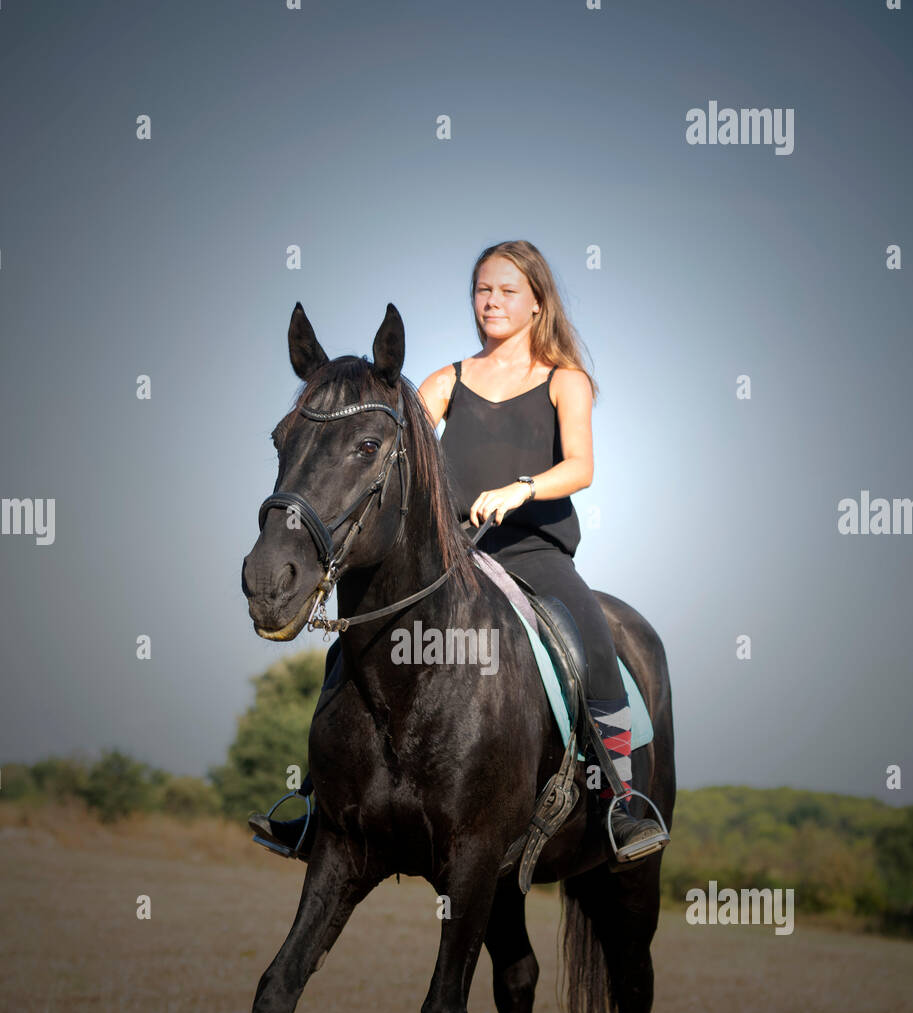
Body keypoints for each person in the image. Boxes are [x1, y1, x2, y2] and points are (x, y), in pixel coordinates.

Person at [251, 240, 669, 867]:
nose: (492, 301)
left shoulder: (565, 381)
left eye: (507, 291)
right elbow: (400, 448)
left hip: (535, 550)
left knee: (594, 644)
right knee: (351, 648)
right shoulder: (446, 380)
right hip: (459, 551)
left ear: (536, 303)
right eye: (482, 290)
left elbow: (580, 467)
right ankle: (316, 803)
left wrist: (519, 490)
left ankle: (623, 801)